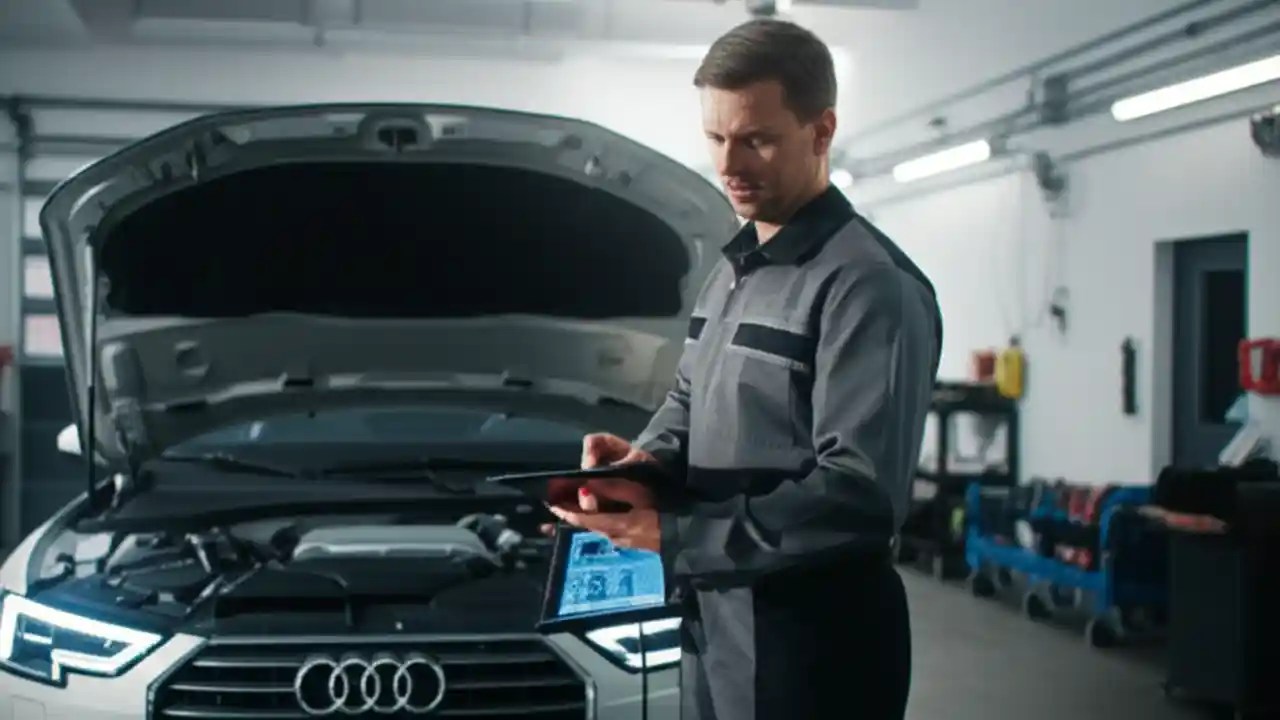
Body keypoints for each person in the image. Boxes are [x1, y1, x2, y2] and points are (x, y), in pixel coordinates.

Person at [545, 17, 942, 720]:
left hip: (812, 645)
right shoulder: (735, 268)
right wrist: (642, 463)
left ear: (821, 132)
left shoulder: (867, 285)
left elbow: (858, 496)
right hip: (714, 620)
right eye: (716, 137)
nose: (729, 164)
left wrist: (678, 536)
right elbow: (692, 396)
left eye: (756, 139)